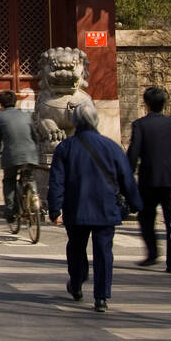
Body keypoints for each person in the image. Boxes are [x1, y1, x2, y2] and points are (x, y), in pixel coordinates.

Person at [49, 101, 143, 313]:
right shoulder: (112, 147)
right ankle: (101, 297)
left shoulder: (65, 148)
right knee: (103, 251)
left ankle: (77, 282)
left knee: (76, 247)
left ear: (75, 121)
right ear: (95, 120)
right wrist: (136, 203)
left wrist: (55, 210)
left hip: (76, 207)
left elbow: (57, 181)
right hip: (105, 207)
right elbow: (126, 177)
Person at [127, 86, 171, 274]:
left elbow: (133, 153)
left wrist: (128, 174)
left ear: (146, 104)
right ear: (164, 104)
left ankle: (152, 253)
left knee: (146, 218)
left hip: (149, 180)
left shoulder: (140, 125)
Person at [0, 89, 39, 224]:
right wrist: (34, 149)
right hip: (30, 154)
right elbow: (35, 135)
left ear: (0, 103)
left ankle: (11, 211)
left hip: (12, 156)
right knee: (29, 177)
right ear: (16, 101)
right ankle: (33, 195)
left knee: (9, 181)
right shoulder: (26, 116)